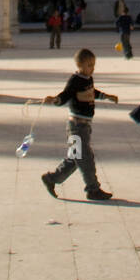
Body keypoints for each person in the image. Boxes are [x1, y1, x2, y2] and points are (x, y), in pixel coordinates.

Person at [41, 49, 117, 201]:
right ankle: (93, 189)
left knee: (75, 158)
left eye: (93, 65)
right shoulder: (75, 80)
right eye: (89, 65)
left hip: (85, 126)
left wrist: (106, 96)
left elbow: (92, 92)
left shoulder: (88, 79)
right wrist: (55, 100)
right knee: (85, 158)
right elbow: (65, 95)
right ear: (79, 65)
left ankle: (52, 178)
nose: (92, 68)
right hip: (76, 127)